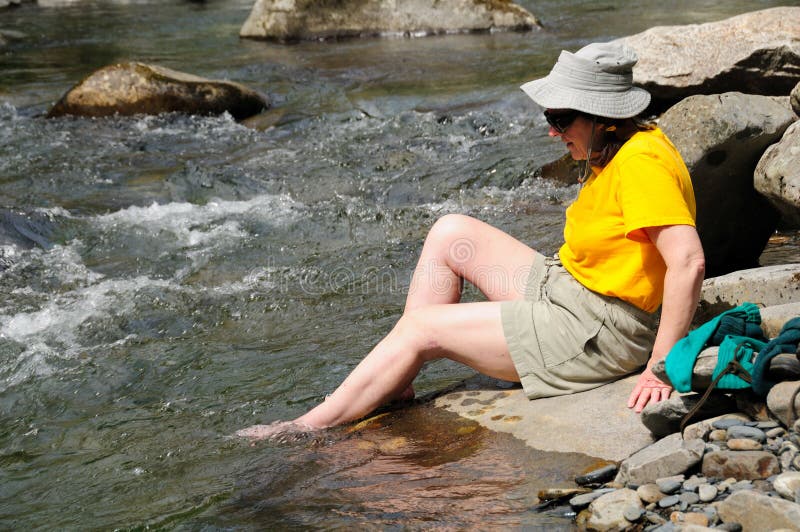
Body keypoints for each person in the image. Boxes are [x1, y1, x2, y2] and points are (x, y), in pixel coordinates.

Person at [237, 42, 705, 440]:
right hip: (570, 288)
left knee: (423, 328)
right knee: (451, 232)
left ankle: (304, 429)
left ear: (605, 118)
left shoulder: (642, 165)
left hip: (600, 331)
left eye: (562, 118)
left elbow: (688, 262)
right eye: (551, 116)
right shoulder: (618, 146)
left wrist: (659, 367)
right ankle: (396, 381)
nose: (551, 130)